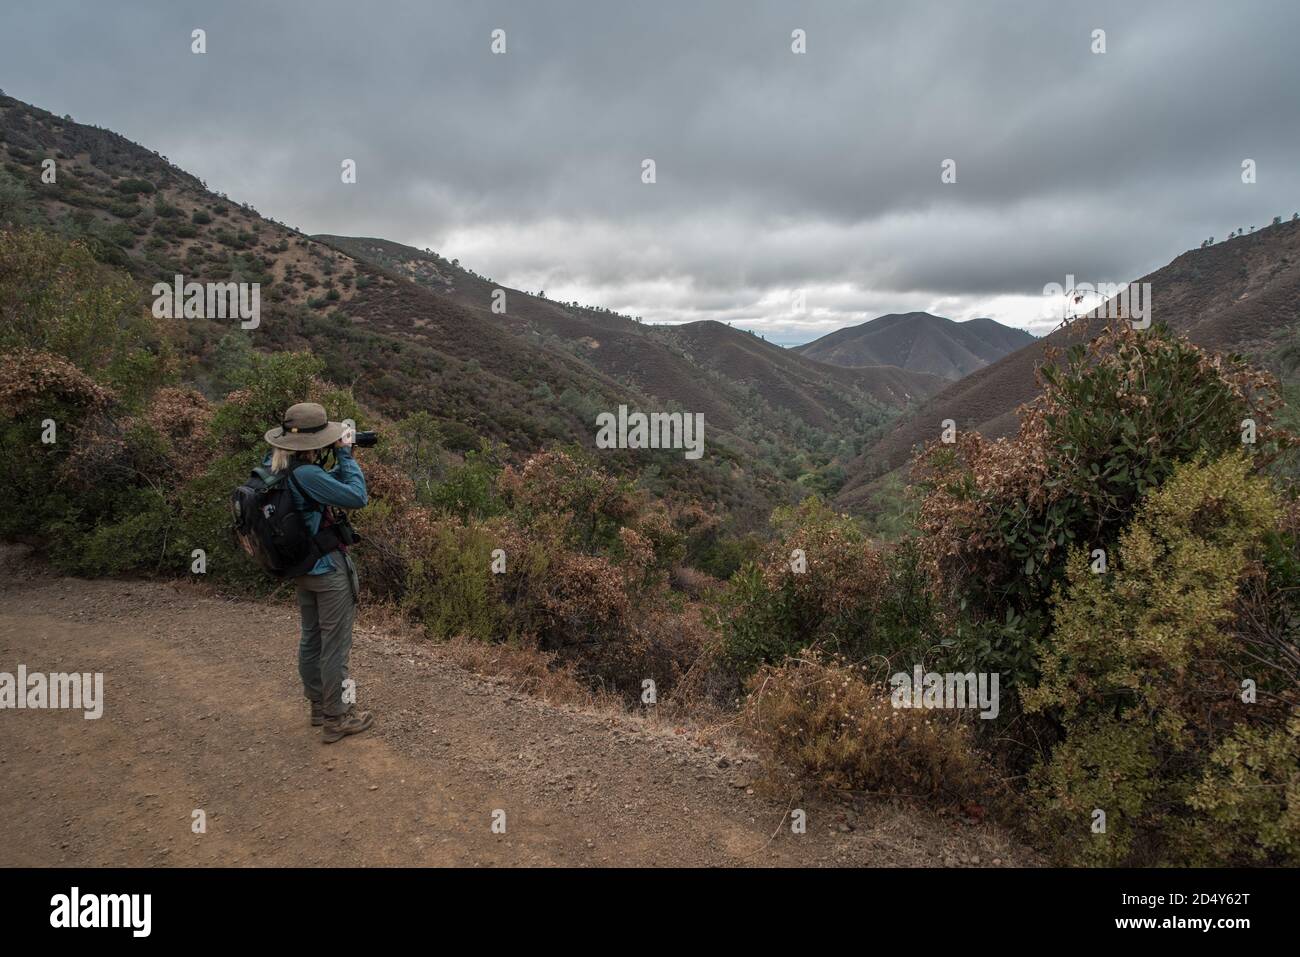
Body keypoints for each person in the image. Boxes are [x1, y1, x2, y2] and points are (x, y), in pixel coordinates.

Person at [263, 402, 373, 743]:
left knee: (311, 638)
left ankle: (318, 706)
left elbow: (318, 488)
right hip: (327, 569)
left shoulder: (275, 466)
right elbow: (357, 497)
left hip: (301, 567)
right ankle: (337, 717)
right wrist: (346, 456)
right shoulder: (307, 474)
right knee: (335, 646)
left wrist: (338, 460)